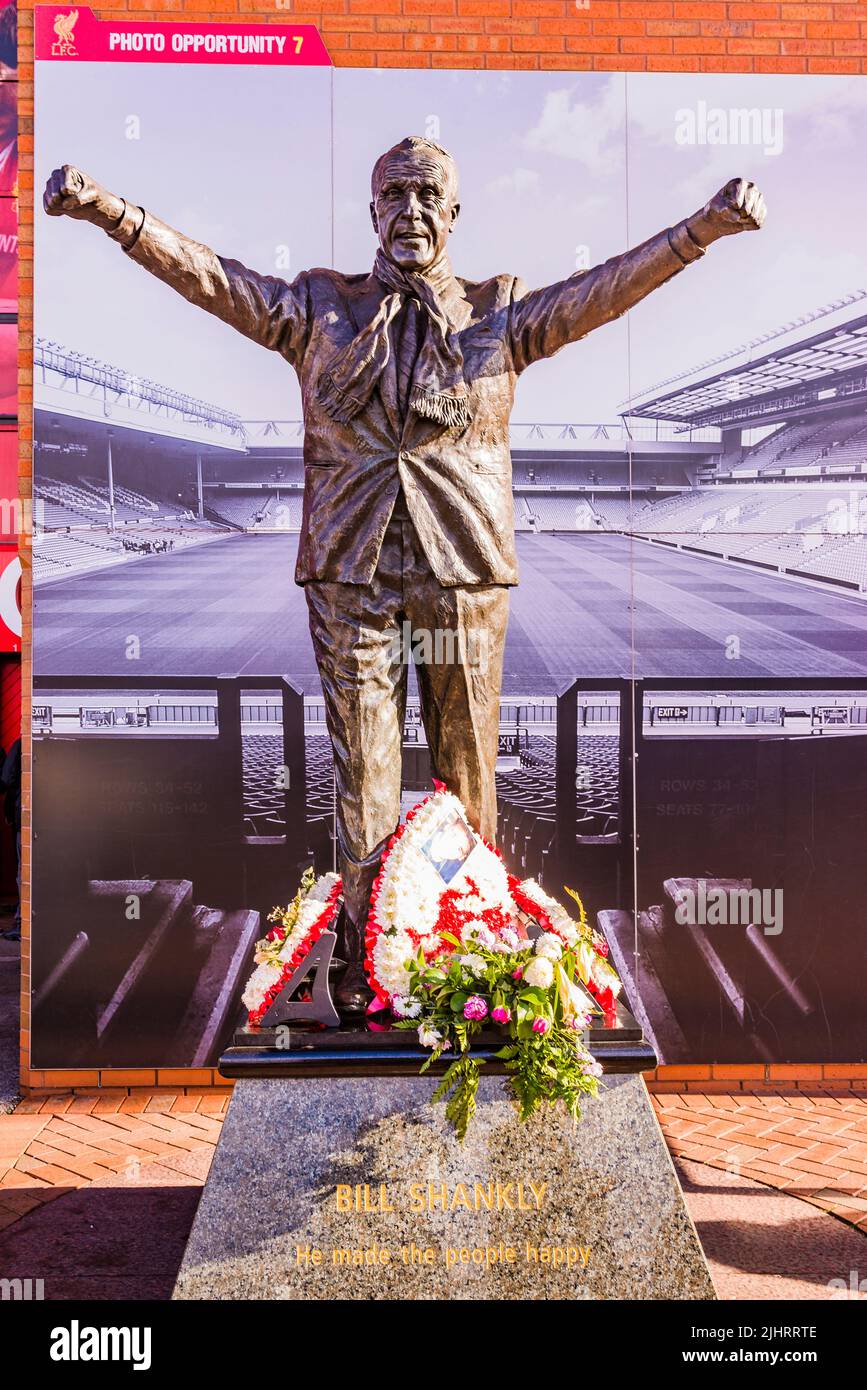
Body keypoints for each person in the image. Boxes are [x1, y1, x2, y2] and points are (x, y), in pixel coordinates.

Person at [43, 140, 766, 1009]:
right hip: (351, 570)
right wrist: (113, 214)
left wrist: (701, 230)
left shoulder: (499, 311)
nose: (412, 211)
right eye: (395, 196)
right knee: (365, 778)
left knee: (467, 776)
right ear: (373, 210)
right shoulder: (318, 305)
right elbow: (213, 279)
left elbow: (601, 292)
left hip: (460, 567)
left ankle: (477, 962)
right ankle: (365, 971)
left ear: (452, 215)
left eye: (429, 196)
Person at [1, 736, 20, 940]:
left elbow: (5, 779)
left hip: (21, 814)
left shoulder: (20, 744)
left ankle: (23, 921)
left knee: (23, 870)